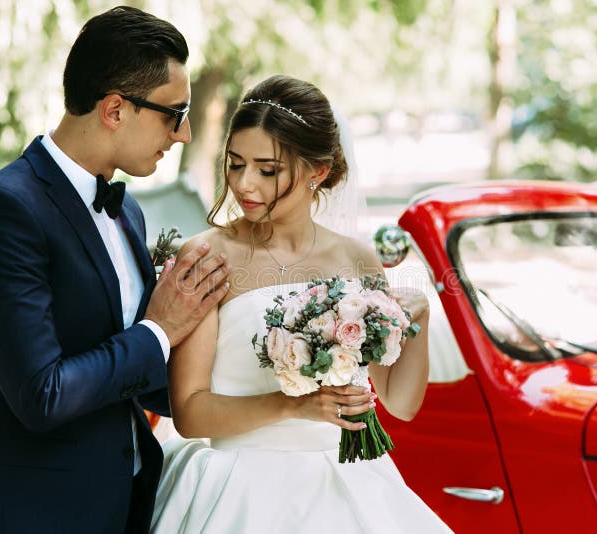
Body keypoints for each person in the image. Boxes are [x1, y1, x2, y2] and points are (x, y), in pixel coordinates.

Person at [0, 6, 230, 534]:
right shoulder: (4, 209)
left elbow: (139, 378)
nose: (185, 134)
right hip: (32, 512)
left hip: (127, 501)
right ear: (116, 109)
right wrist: (160, 329)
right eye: (174, 113)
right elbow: (43, 395)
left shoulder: (128, 209)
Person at [151, 74, 452, 533]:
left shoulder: (356, 258)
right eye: (235, 164)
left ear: (319, 171)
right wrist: (293, 405)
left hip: (347, 488)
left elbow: (401, 403)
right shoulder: (207, 257)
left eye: (267, 170)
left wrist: (421, 318)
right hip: (241, 492)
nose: (244, 185)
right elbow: (190, 413)